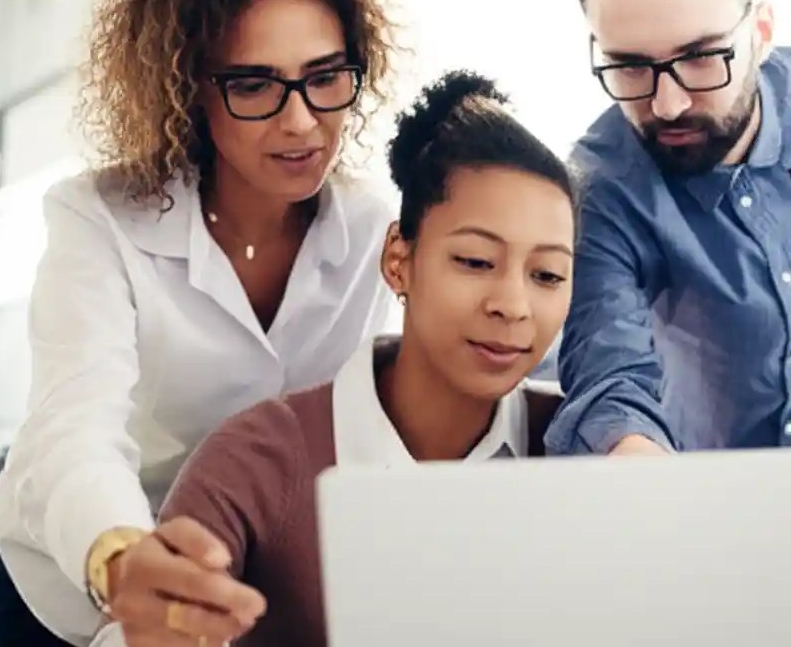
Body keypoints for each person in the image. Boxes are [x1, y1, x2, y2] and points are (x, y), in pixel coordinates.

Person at [0, 0, 401, 645]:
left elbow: (360, 434)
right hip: (78, 582)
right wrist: (123, 558)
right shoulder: (97, 219)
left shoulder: (370, 231)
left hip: (248, 593)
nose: (301, 120)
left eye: (325, 76)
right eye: (253, 85)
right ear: (188, 91)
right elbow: (74, 430)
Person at [87, 70, 577, 647]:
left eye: (547, 275)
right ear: (399, 259)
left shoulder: (578, 448)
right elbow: (145, 629)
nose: (513, 306)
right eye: (474, 261)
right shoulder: (258, 460)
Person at [546, 0, 791, 456]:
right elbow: (607, 374)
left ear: (760, 31)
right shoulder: (597, 186)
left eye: (700, 58)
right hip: (711, 508)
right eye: (629, 66)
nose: (667, 105)